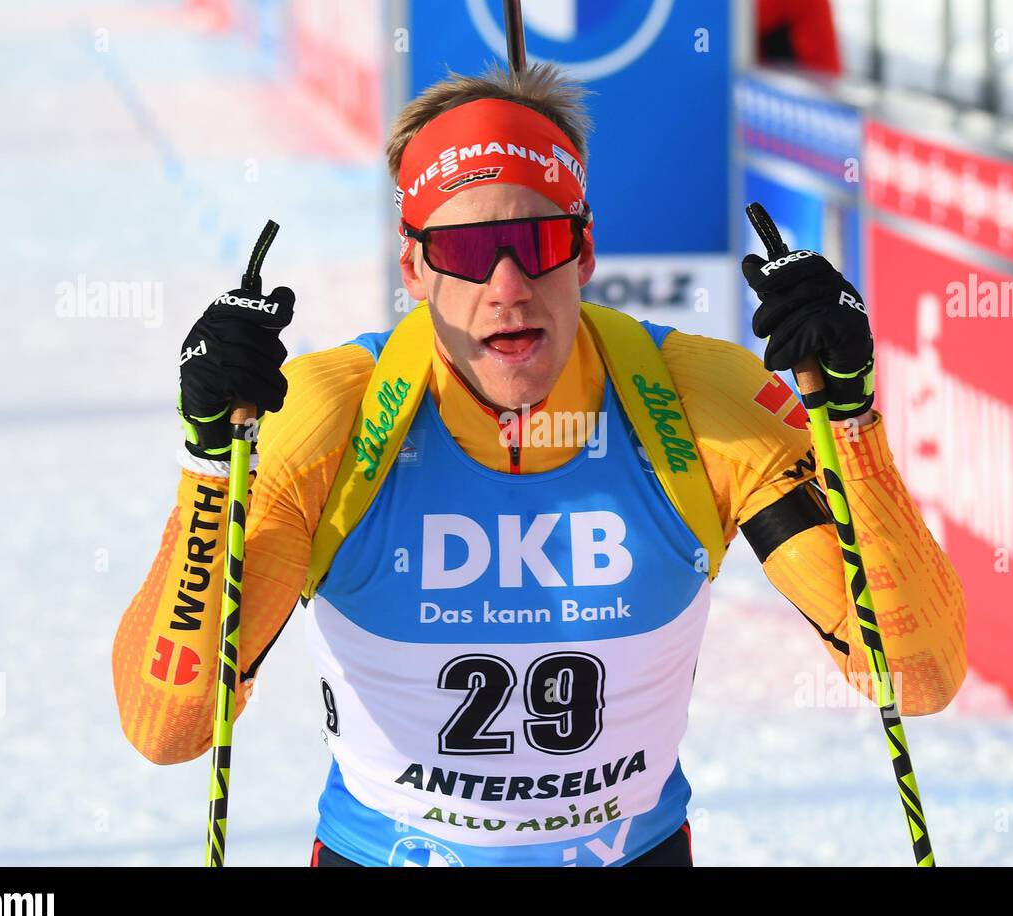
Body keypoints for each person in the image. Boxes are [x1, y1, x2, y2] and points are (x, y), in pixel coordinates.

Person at [112, 62, 966, 867]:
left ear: (585, 250)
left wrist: (848, 414)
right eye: (467, 251)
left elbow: (915, 674)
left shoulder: (694, 400)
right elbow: (172, 726)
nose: (509, 284)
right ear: (412, 266)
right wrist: (209, 464)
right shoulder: (332, 415)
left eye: (537, 239)